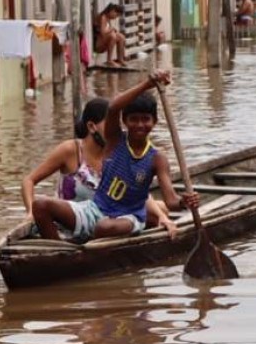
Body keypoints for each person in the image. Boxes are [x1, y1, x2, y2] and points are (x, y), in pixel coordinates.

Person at [31, 71, 198, 242]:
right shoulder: (114, 139)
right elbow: (113, 108)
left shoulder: (157, 158)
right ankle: (60, 252)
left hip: (129, 218)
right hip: (95, 209)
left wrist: (184, 202)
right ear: (125, 121)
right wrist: (147, 84)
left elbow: (171, 201)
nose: (140, 125)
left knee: (104, 227)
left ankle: (86, 251)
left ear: (154, 122)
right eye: (134, 119)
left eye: (146, 119)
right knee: (40, 205)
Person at [21, 98, 171, 233]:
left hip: (108, 219)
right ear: (92, 127)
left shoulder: (118, 153)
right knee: (40, 205)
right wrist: (30, 213)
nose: (116, 130)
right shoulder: (70, 150)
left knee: (160, 208)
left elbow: (137, 193)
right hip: (74, 218)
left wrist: (162, 216)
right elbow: (29, 180)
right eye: (110, 126)